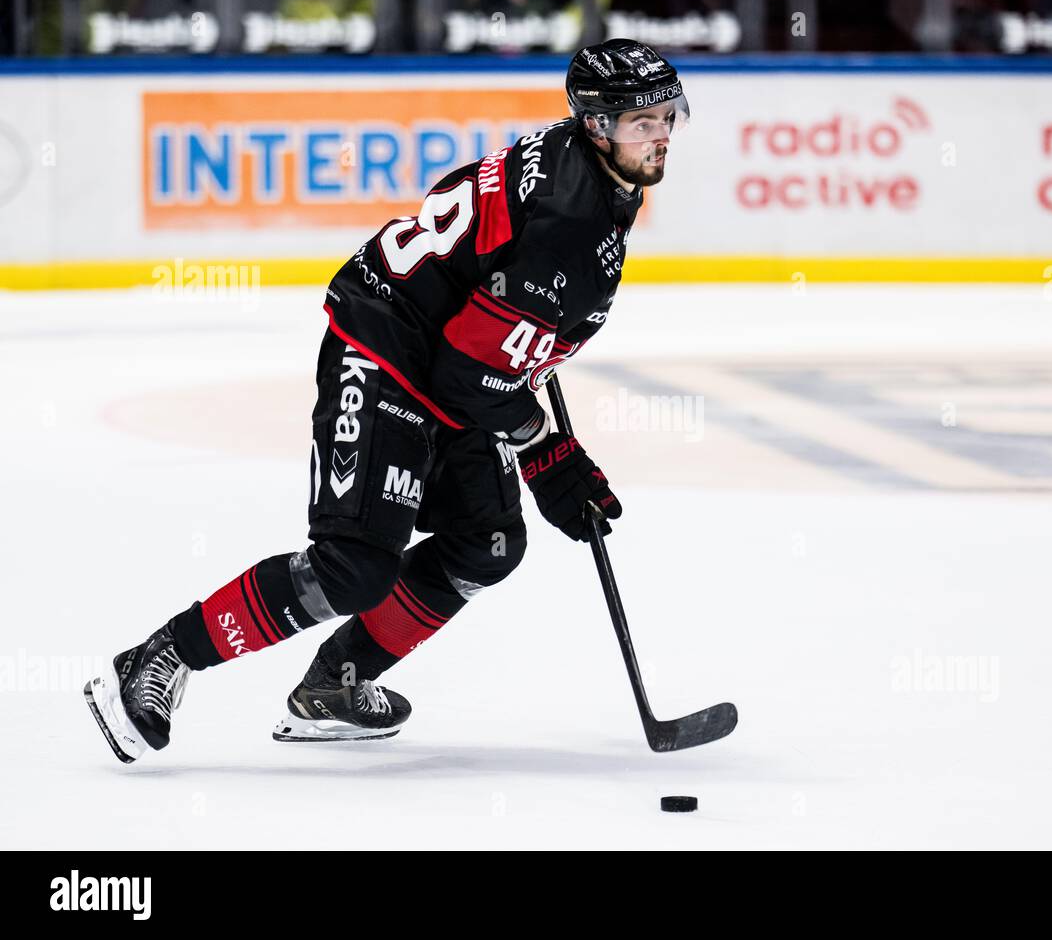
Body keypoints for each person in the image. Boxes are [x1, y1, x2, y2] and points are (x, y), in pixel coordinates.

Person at [85, 38, 690, 762]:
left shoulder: (574, 165)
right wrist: (545, 450)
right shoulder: (573, 222)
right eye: (639, 122)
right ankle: (159, 657)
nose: (658, 136)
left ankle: (336, 686)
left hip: (444, 359)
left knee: (487, 542)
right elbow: (475, 374)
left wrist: (540, 433)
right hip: (385, 349)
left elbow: (493, 330)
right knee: (353, 565)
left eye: (666, 116)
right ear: (596, 125)